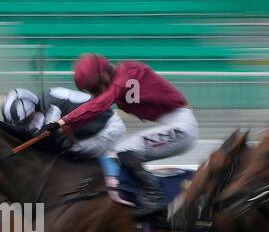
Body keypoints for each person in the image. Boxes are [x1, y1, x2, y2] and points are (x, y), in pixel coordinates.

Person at [46, 53, 198, 215]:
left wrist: (63, 121)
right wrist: (61, 126)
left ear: (104, 73)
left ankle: (155, 196)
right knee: (121, 152)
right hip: (173, 123)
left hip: (182, 126)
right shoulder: (116, 83)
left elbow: (98, 105)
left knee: (124, 150)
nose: (96, 91)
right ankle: (142, 193)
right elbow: (93, 107)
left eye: (95, 86)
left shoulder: (127, 71)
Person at [1, 86, 125, 159]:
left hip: (107, 128)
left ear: (32, 107)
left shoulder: (52, 107)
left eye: (26, 121)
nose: (26, 126)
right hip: (88, 131)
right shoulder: (37, 109)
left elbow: (54, 132)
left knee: (68, 151)